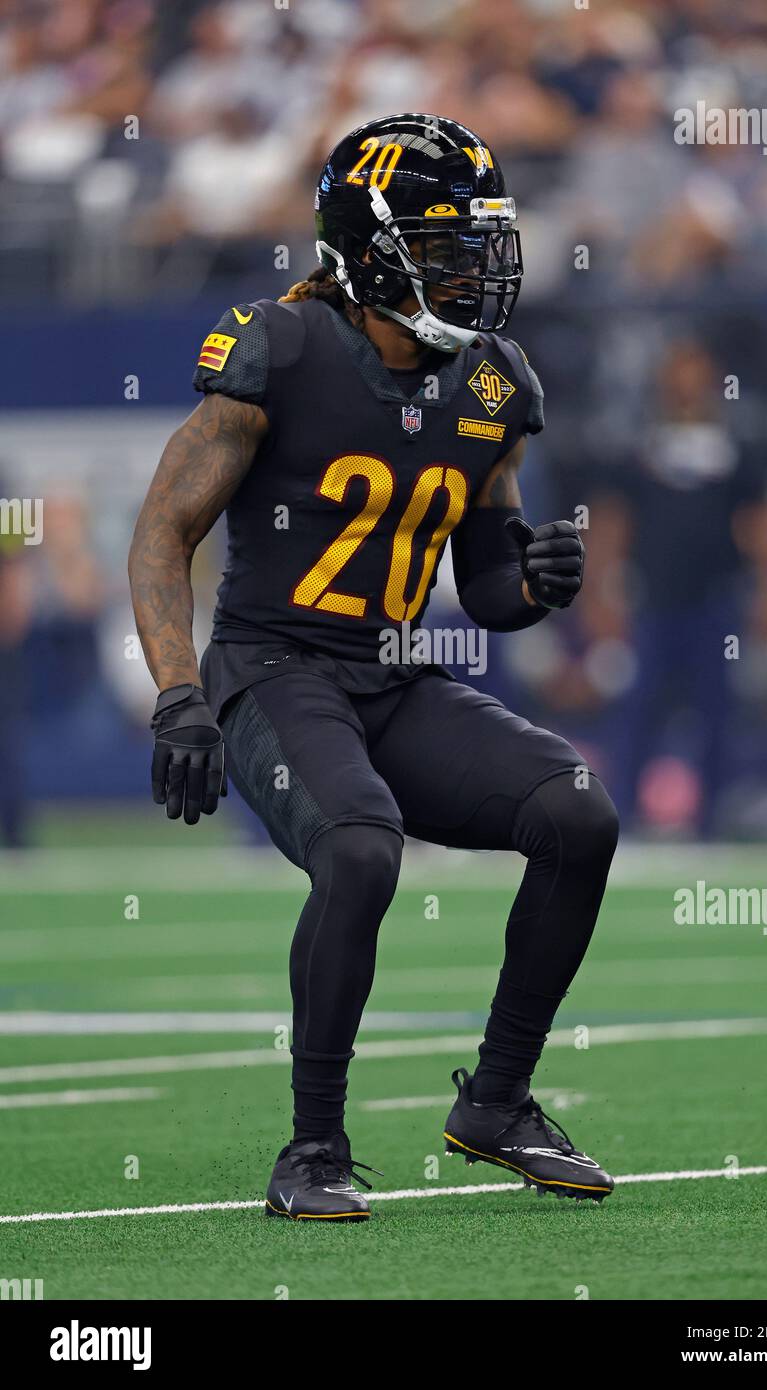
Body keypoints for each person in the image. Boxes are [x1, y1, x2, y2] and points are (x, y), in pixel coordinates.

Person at [129, 113, 618, 1223]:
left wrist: (537, 577)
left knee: (576, 813)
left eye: (480, 243)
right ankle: (313, 1144)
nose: (475, 269)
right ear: (373, 250)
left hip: (395, 676)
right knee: (359, 847)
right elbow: (163, 533)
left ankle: (495, 1103)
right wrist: (179, 697)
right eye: (448, 245)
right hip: (273, 668)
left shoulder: (491, 383)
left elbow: (488, 588)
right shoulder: (278, 349)